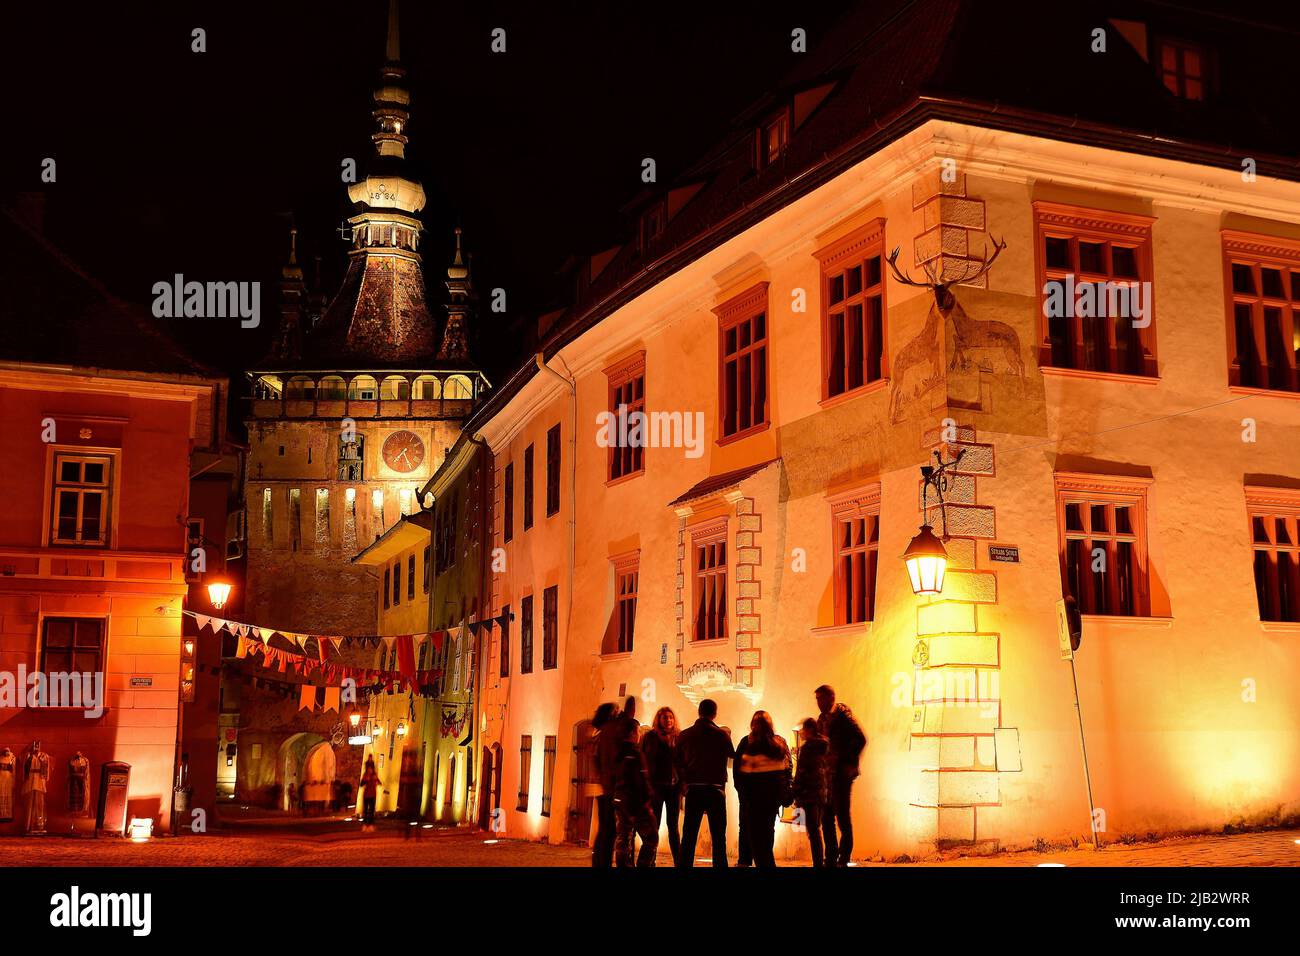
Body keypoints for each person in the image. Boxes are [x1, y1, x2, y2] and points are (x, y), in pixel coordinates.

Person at [675, 698, 734, 868]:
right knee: (718, 837)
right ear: (714, 714)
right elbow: (732, 754)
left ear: (699, 712)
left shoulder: (685, 735)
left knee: (689, 836)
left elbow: (677, 761)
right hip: (716, 789)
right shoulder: (722, 735)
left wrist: (683, 782)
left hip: (694, 789)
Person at [815, 684, 867, 866]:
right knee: (826, 818)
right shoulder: (820, 720)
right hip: (825, 777)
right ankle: (831, 855)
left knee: (842, 817)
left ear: (831, 698)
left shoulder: (843, 718)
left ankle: (843, 857)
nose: (818, 702)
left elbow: (860, 739)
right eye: (817, 699)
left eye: (821, 698)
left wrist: (847, 761)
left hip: (840, 776)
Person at [733, 711, 792, 868]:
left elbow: (740, 774)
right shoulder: (778, 745)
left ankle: (745, 862)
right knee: (766, 838)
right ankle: (753, 861)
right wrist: (784, 794)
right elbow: (785, 772)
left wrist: (742, 794)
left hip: (753, 802)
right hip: (770, 801)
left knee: (753, 838)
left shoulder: (749, 745)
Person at [591, 696, 637, 868]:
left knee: (605, 831)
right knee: (617, 832)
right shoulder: (614, 729)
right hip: (617, 788)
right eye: (616, 710)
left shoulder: (601, 732)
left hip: (606, 788)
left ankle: (599, 863)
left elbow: (597, 762)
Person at [612, 720, 659, 866]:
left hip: (620, 800)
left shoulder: (618, 752)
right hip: (636, 803)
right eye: (638, 731)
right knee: (651, 838)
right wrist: (647, 799)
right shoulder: (634, 753)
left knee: (624, 839)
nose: (639, 735)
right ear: (633, 733)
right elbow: (639, 780)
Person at [640, 706, 681, 864]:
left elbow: (681, 762)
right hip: (655, 787)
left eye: (670, 717)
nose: (668, 720)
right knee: (654, 826)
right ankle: (651, 861)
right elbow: (644, 760)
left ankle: (679, 861)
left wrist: (682, 783)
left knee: (673, 827)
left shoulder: (678, 737)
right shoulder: (650, 737)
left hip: (673, 787)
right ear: (659, 719)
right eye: (665, 717)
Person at [792, 717, 831, 867]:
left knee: (813, 831)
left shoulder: (807, 748)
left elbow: (801, 772)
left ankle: (817, 863)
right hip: (822, 793)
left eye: (803, 729)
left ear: (809, 730)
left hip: (808, 794)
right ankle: (821, 861)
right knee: (817, 829)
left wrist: (794, 791)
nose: (801, 733)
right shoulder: (826, 744)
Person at [359, 756, 380, 832]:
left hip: (373, 795)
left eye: (371, 769)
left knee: (371, 811)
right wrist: (365, 781)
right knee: (365, 811)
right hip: (366, 795)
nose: (370, 770)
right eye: (369, 769)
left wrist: (377, 782)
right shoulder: (365, 775)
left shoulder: (375, 775)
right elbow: (361, 784)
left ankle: (371, 825)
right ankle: (365, 825)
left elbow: (379, 782)